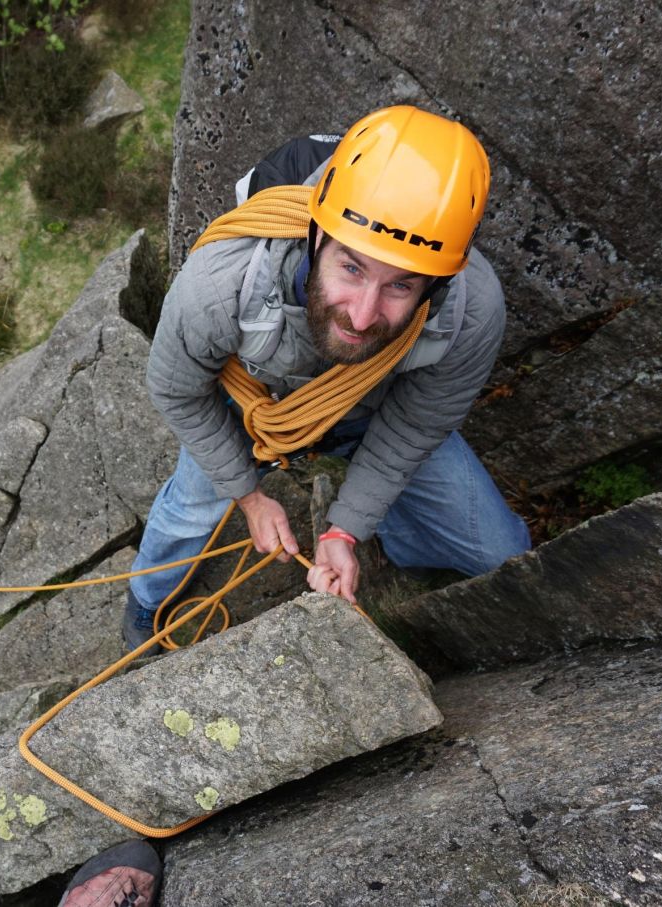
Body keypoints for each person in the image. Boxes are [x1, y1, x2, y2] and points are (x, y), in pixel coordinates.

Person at [123, 106, 531, 654]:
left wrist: (344, 530)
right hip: (250, 403)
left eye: (401, 287)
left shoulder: (471, 312)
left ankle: (402, 552)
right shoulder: (223, 282)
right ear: (316, 236)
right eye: (352, 268)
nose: (362, 316)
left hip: (372, 411)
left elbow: (414, 428)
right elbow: (176, 389)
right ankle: (148, 601)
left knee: (500, 553)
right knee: (192, 505)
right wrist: (247, 495)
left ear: (435, 285)